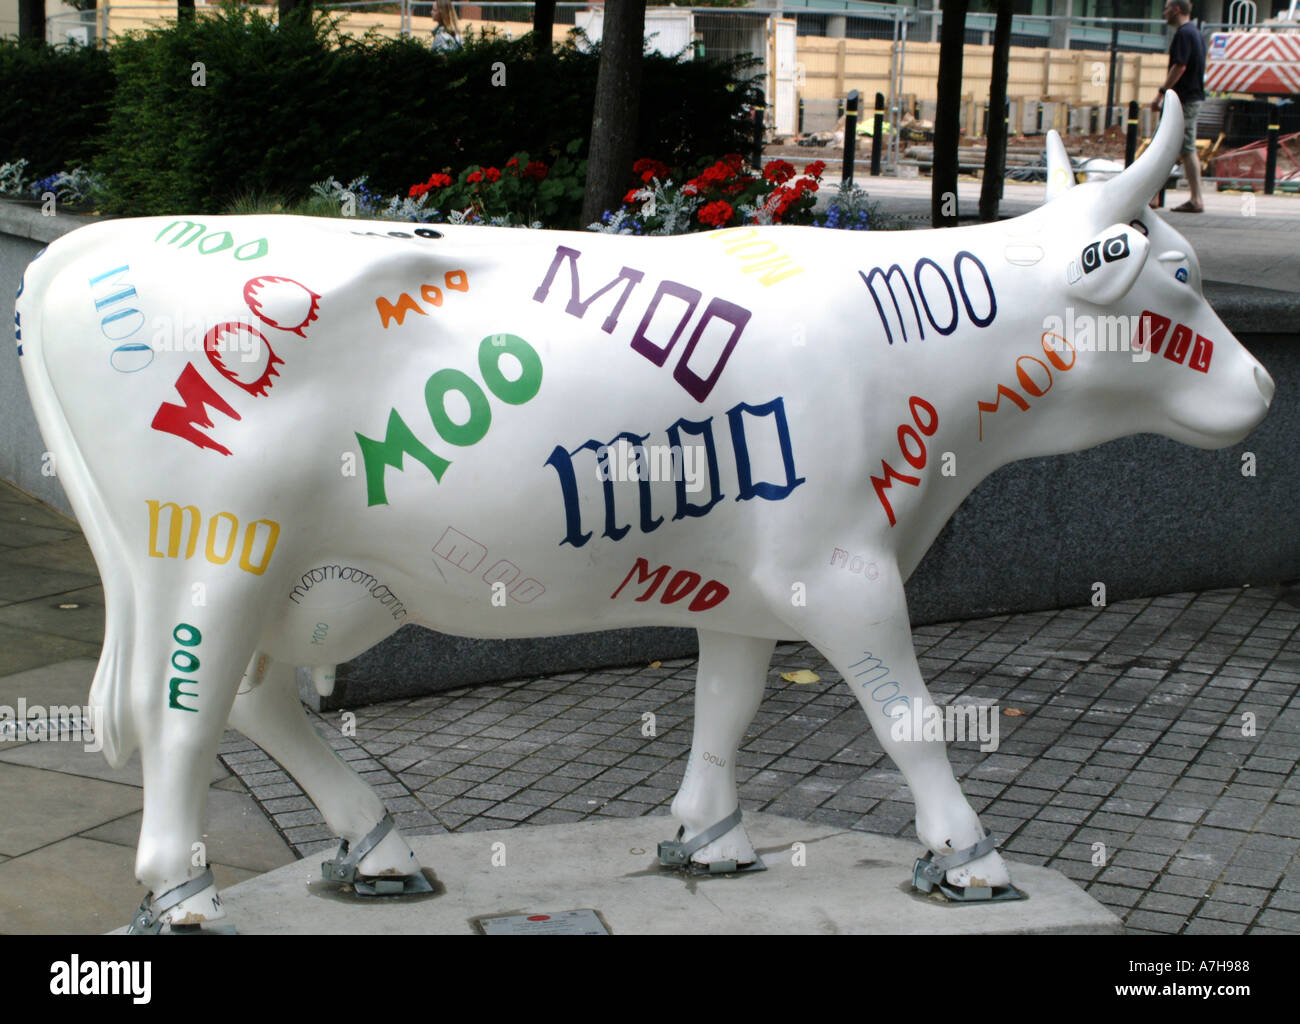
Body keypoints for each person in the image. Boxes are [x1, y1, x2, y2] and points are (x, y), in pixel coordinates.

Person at [1150, 0, 1206, 212]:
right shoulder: (1196, 33)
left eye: (1166, 9)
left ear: (1177, 10)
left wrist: (1161, 94)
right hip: (1187, 99)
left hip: (1183, 100)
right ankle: (1153, 195)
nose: (1164, 13)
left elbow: (1180, 66)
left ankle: (1196, 199)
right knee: (1169, 147)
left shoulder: (1184, 34)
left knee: (1183, 149)